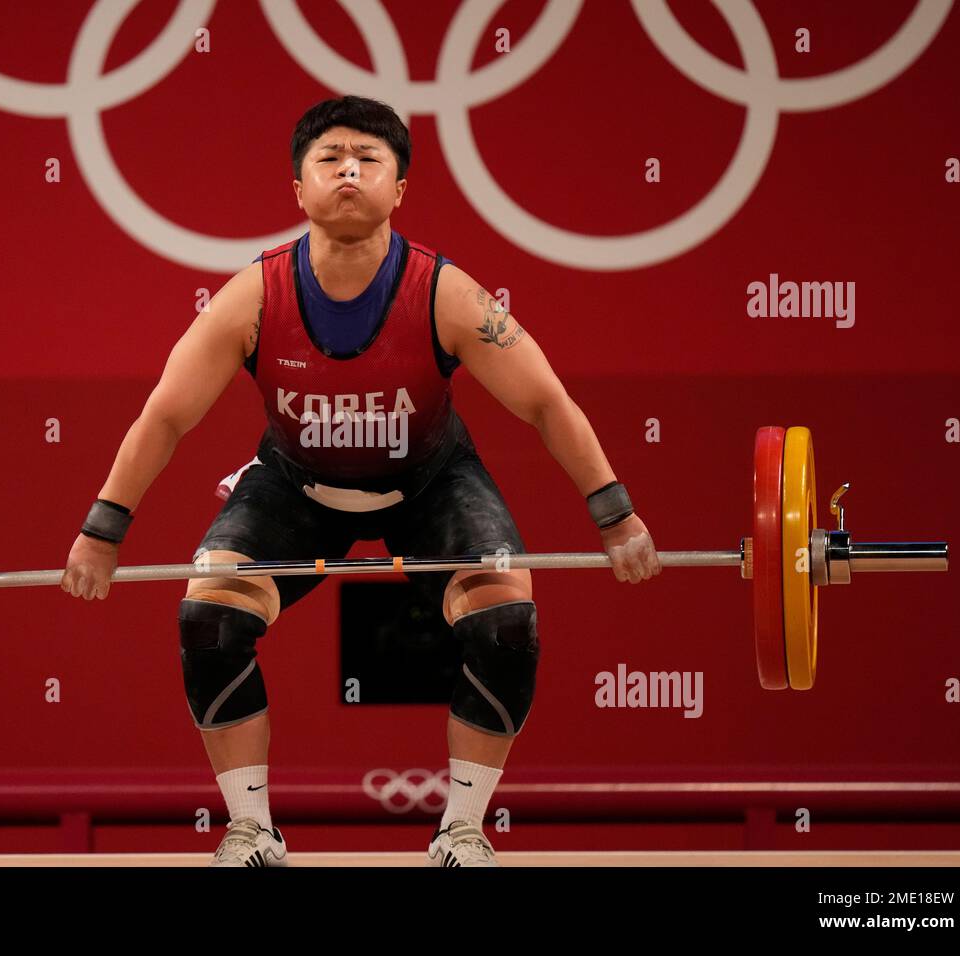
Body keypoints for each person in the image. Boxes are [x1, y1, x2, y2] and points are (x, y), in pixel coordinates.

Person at [60, 95, 661, 867]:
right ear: (299, 189)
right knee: (208, 620)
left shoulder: (445, 293)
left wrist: (615, 517)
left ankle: (463, 828)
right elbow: (164, 418)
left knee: (506, 624)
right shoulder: (254, 296)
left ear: (400, 188)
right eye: (330, 159)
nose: (349, 171)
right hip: (294, 488)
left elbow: (547, 404)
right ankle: (252, 829)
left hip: (432, 485)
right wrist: (103, 531)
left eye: (368, 159)